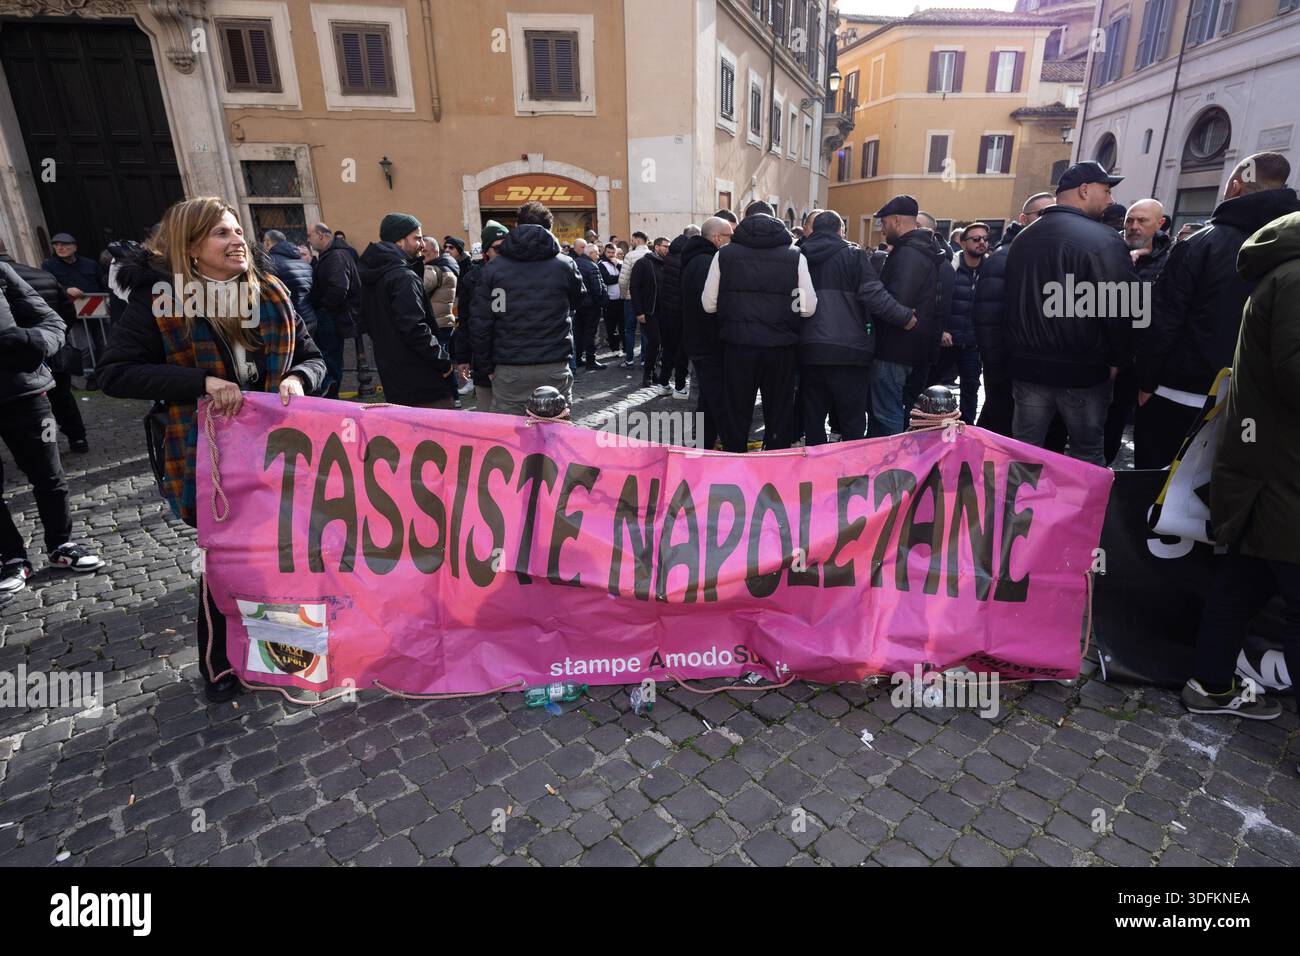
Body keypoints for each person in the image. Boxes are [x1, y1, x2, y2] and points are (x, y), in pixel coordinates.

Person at [99, 197, 322, 701]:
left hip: (276, 452)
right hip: (205, 456)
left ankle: (288, 657)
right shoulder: (160, 300)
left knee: (283, 556)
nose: (238, 241)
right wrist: (200, 381)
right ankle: (223, 666)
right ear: (192, 247)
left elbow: (312, 357)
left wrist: (300, 379)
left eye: (238, 231)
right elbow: (113, 374)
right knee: (227, 561)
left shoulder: (272, 292)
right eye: (222, 233)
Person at [1181, 210, 1300, 721]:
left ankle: (1210, 686)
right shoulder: (1295, 278)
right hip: (1282, 468)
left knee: (1244, 579)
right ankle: (1209, 685)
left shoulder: (1285, 273)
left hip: (1270, 464)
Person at [1135, 152, 1300, 469]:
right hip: (1254, 401)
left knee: (1154, 489)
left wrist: (1145, 381)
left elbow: (1165, 319)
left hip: (1181, 393)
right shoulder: (1288, 249)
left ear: (1235, 187)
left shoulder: (1200, 244)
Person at [1003, 162, 1135, 465]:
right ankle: (1082, 514)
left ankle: (1020, 511)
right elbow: (1123, 308)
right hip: (1083, 372)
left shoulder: (1022, 239)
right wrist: (1119, 359)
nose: (1111, 200)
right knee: (1086, 456)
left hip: (1028, 369)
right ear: (1085, 190)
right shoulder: (1104, 239)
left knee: (1025, 455)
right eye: (1107, 190)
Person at [0, 251, 103, 602]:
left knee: (49, 475)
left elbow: (54, 323)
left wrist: (29, 344)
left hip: (25, 396)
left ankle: (61, 544)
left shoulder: (2, 274)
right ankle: (11, 558)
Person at [702, 200, 817, 452]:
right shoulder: (795, 255)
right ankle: (775, 465)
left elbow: (709, 304)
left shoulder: (724, 254)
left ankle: (734, 462)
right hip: (781, 347)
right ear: (775, 219)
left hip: (738, 345)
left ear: (744, 220)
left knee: (736, 409)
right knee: (779, 411)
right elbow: (808, 307)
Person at [800, 210, 912, 444]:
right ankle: (850, 475)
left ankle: (815, 473)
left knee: (812, 418)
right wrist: (905, 317)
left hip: (810, 349)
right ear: (840, 230)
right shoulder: (853, 255)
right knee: (852, 421)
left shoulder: (800, 255)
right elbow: (874, 295)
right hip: (850, 351)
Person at [471, 200, 583, 414]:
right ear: (549, 228)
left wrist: (486, 368)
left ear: (517, 226)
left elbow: (482, 323)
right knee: (556, 435)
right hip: (553, 362)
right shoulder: (565, 265)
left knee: (510, 439)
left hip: (510, 367)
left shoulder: (495, 269)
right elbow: (579, 301)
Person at [973, 192, 1054, 436]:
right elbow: (987, 319)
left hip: (1033, 369)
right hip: (1007, 369)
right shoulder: (1004, 257)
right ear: (1023, 218)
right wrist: (996, 369)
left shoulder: (1047, 253)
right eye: (1042, 215)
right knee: (1001, 429)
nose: (1049, 220)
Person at [867, 195, 946, 438]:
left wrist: (877, 297)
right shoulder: (921, 249)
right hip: (915, 346)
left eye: (884, 223)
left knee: (886, 411)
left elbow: (898, 303)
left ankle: (892, 466)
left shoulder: (908, 253)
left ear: (897, 220)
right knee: (898, 410)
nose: (882, 231)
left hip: (896, 348)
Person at [358, 213, 455, 408]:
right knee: (435, 436)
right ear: (400, 241)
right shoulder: (403, 277)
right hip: (422, 380)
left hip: (394, 376)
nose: (422, 244)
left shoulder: (379, 273)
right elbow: (415, 328)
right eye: (417, 238)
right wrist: (443, 362)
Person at [1102, 198, 1173, 464]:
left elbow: (1164, 312)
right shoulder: (1111, 251)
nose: (1133, 226)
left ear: (1160, 223)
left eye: (1142, 220)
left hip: (1149, 361)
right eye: (1129, 220)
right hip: (1109, 358)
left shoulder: (1173, 258)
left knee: (1146, 430)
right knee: (1105, 423)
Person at [0, 240, 87, 452]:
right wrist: (55, 338)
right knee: (63, 397)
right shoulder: (43, 275)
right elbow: (66, 313)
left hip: (20, 359)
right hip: (52, 349)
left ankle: (47, 446)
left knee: (35, 406)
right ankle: (77, 437)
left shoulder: (10, 277)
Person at [681, 216, 733, 450]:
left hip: (698, 342)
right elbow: (709, 309)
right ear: (717, 238)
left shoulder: (695, 259)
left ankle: (704, 445)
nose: (733, 240)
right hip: (709, 344)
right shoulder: (708, 263)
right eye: (730, 235)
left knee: (707, 401)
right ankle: (730, 450)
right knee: (720, 402)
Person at [933, 222, 988, 425]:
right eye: (976, 239)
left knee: (971, 387)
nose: (981, 242)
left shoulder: (990, 269)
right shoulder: (950, 268)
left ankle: (967, 430)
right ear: (963, 243)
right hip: (947, 340)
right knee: (932, 385)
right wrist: (942, 330)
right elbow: (938, 302)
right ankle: (930, 428)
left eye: (984, 239)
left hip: (973, 343)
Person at [454, 220, 508, 411]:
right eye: (498, 248)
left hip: (514, 361)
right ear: (487, 251)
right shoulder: (472, 278)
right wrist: (463, 358)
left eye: (508, 246)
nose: (504, 252)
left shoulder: (519, 274)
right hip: (486, 361)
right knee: (489, 418)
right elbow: (467, 321)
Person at [42, 232, 106, 390]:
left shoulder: (90, 264)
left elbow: (102, 284)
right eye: (56, 245)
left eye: (64, 244)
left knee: (103, 344)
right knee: (84, 346)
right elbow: (49, 285)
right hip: (72, 314)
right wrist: (66, 289)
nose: (60, 247)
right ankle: (89, 378)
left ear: (75, 247)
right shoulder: (49, 265)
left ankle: (106, 375)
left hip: (97, 311)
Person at [307, 222, 359, 399]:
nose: (308, 241)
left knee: (331, 360)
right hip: (332, 315)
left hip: (333, 317)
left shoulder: (336, 256)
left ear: (321, 235)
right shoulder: (331, 255)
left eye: (310, 236)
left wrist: (324, 306)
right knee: (330, 358)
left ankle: (330, 397)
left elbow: (338, 289)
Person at [629, 236, 669, 392]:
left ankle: (652, 371)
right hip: (649, 310)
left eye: (668, 246)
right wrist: (639, 311)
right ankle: (647, 373)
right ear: (657, 246)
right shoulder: (643, 263)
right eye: (665, 246)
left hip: (664, 310)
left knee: (661, 343)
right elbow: (634, 288)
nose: (667, 249)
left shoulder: (666, 263)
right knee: (654, 341)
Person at [262, 230, 319, 337]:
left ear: (268, 242)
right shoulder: (305, 264)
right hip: (309, 319)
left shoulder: (268, 264)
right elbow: (314, 293)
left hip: (288, 323)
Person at [658, 231, 691, 397]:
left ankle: (663, 383)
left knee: (668, 348)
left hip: (666, 309)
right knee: (681, 350)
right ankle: (679, 386)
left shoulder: (670, 256)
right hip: (680, 311)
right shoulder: (685, 258)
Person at [572, 237, 607, 370]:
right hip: (591, 306)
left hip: (579, 304)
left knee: (579, 333)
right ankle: (591, 361)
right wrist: (602, 303)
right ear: (591, 253)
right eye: (597, 253)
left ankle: (578, 359)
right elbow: (597, 288)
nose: (598, 255)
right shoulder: (592, 266)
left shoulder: (575, 263)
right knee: (590, 333)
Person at [618, 231, 651, 368]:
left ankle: (630, 360)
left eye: (632, 239)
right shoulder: (651, 255)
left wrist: (623, 294)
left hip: (631, 298)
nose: (631, 242)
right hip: (647, 299)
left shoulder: (630, 256)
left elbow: (623, 280)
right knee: (645, 330)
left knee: (629, 330)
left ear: (637, 240)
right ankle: (644, 359)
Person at [598, 243, 623, 353]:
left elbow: (627, 275)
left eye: (613, 253)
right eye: (609, 252)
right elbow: (608, 279)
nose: (611, 255)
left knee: (623, 326)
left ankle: (625, 349)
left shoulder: (619, 263)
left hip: (621, 299)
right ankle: (615, 349)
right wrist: (621, 277)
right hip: (610, 301)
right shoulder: (601, 264)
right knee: (611, 327)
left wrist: (618, 265)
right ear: (605, 252)